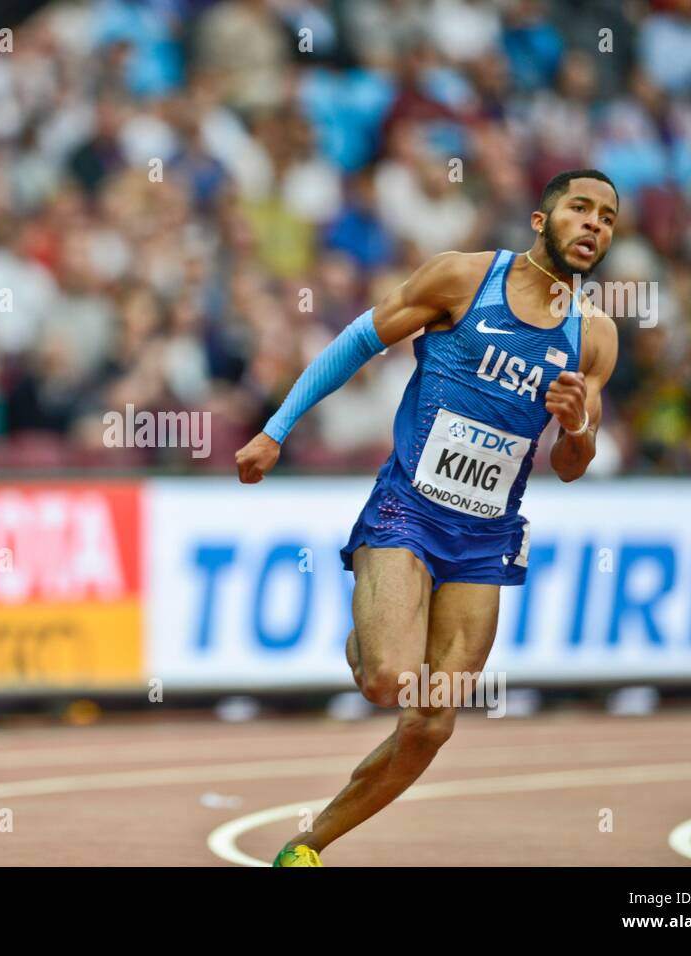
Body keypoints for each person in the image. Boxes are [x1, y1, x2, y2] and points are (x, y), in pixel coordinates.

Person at [234, 170, 621, 866]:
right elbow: (357, 341)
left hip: (486, 537)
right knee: (387, 680)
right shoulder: (463, 279)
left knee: (433, 720)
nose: (595, 224)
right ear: (542, 219)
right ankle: (373, 636)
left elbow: (571, 464)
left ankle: (307, 846)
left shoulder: (594, 336)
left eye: (608, 218)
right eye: (580, 208)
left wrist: (576, 427)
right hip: (408, 509)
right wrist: (276, 429)